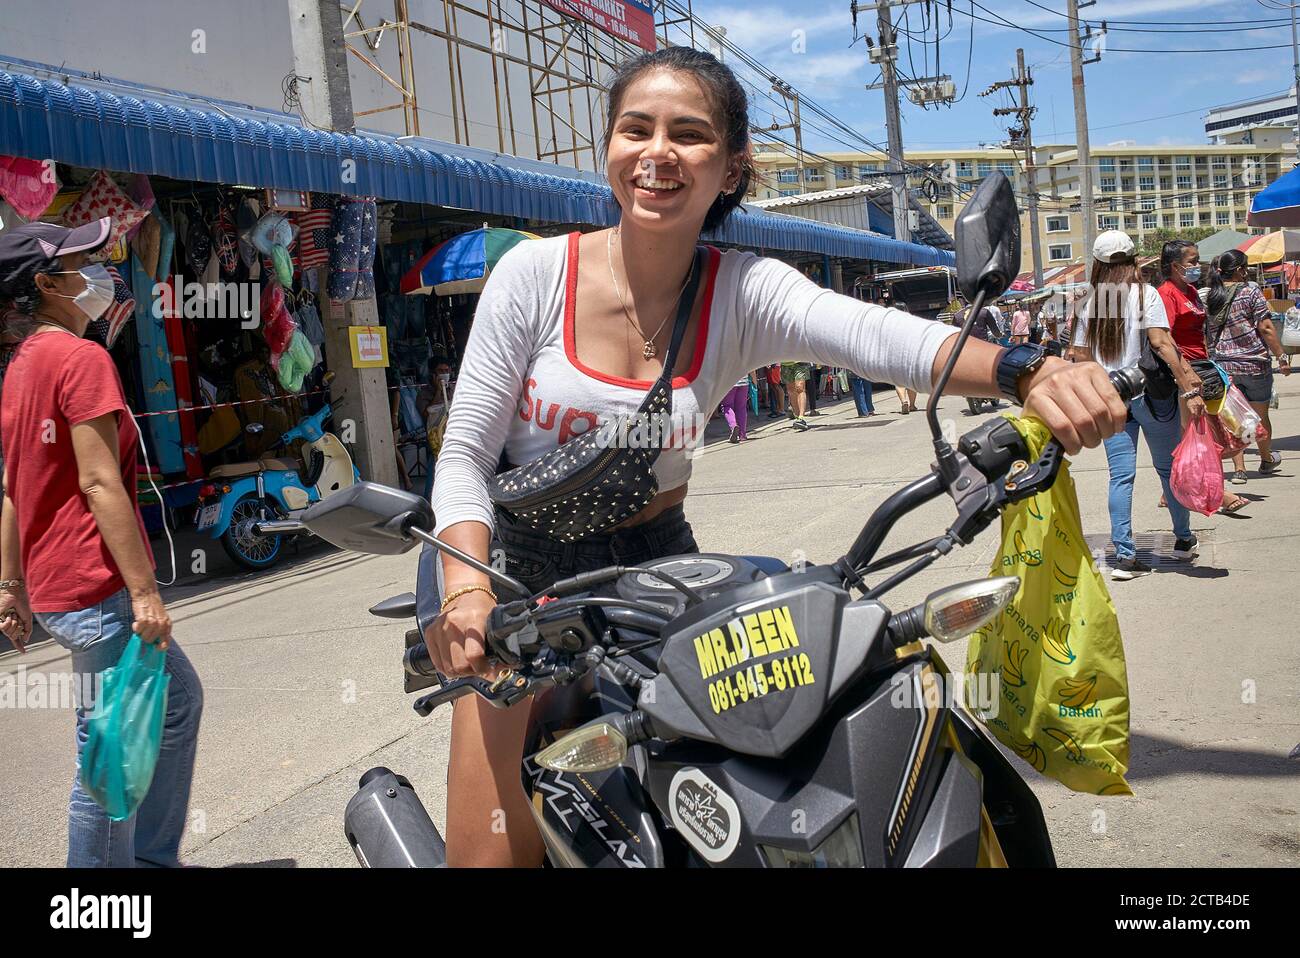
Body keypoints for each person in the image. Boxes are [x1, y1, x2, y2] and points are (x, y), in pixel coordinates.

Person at [427, 45, 1128, 867]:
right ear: (609, 149)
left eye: (689, 135)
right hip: (513, 571)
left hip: (656, 565)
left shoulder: (743, 288)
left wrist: (1026, 370)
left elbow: (875, 335)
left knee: (742, 778)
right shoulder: (534, 276)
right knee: (491, 852)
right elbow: (464, 457)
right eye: (635, 129)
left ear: (731, 168)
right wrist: (467, 592)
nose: (657, 154)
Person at [0, 219, 203, 867]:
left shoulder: (23, 363)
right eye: (82, 261)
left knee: (168, 708)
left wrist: (12, 587)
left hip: (61, 591)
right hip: (94, 587)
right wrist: (145, 592)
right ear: (46, 283)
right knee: (109, 753)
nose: (99, 270)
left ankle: (149, 861)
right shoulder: (81, 359)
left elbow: (12, 490)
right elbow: (97, 481)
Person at [1069, 231, 1207, 580]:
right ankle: (1182, 540)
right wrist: (1189, 388)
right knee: (1167, 470)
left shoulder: (1087, 303)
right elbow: (1161, 343)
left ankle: (1125, 556)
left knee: (1120, 477)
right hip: (1152, 396)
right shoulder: (1146, 295)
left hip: (1111, 399)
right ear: (1132, 261)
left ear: (1098, 265)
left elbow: (1082, 359)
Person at [1157, 239, 1247, 513]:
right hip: (1184, 372)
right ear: (1175, 266)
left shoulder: (1193, 292)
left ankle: (1174, 489)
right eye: (1192, 261)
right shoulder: (1166, 293)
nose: (1198, 266)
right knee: (1196, 434)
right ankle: (1217, 493)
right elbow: (1165, 338)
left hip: (1204, 368)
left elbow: (1201, 332)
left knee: (1203, 433)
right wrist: (1185, 374)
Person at [1204, 250, 1291, 483]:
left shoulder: (1212, 295)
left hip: (1224, 366)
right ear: (1241, 269)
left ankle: (1240, 469)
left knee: (1234, 418)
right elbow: (1266, 327)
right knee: (1260, 416)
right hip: (1254, 364)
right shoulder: (1251, 290)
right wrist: (1281, 355)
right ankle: (1265, 459)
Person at [719, 372, 751, 442]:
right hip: (744, 382)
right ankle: (742, 435)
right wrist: (754, 382)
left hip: (728, 383)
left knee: (726, 406)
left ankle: (733, 426)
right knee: (741, 408)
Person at [780, 361, 812, 430]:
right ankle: (798, 418)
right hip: (785, 363)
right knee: (791, 391)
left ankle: (801, 417)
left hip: (800, 362)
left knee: (800, 387)